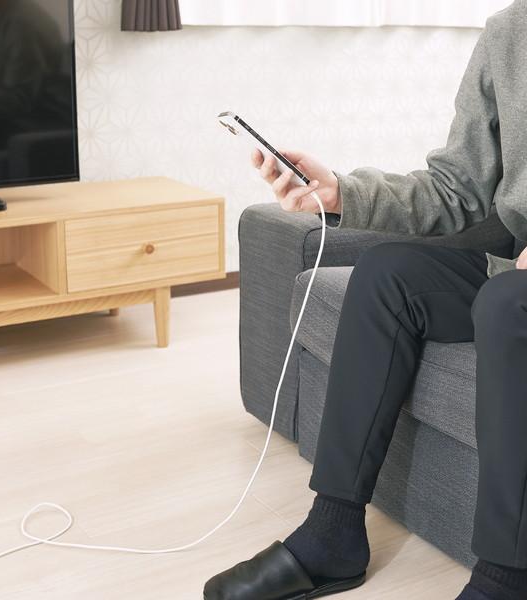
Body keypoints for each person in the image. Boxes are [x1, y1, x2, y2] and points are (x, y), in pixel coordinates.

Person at [204, 1, 527, 599]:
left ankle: (506, 580)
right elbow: (457, 188)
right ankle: (333, 534)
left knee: (507, 305)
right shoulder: (510, 33)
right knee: (386, 274)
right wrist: (340, 193)